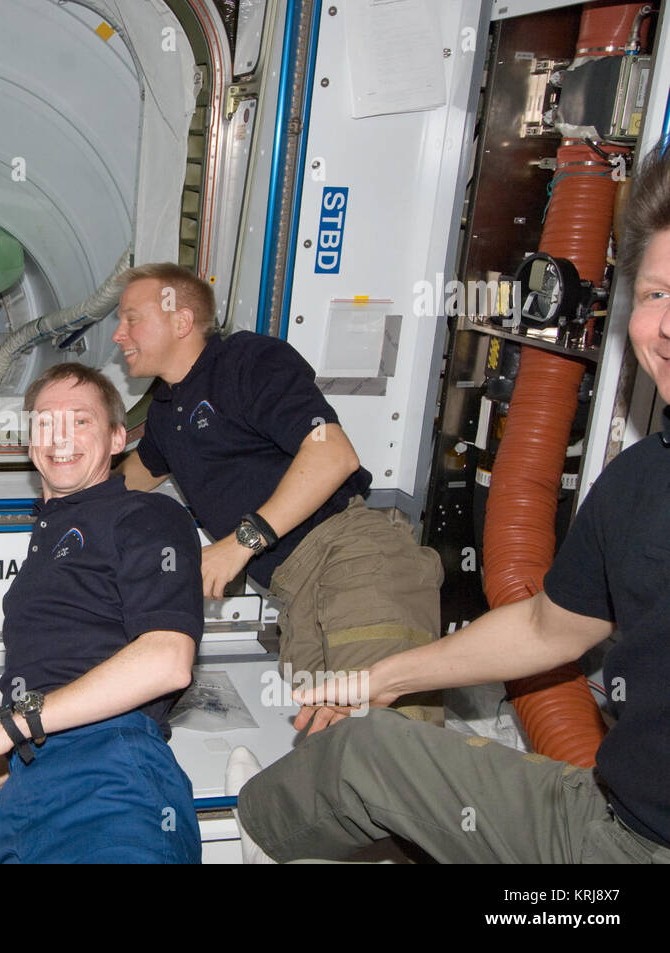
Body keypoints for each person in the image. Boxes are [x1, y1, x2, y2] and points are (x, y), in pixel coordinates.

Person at [233, 147, 670, 864]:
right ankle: (259, 831)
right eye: (655, 294)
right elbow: (543, 627)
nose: (667, 324)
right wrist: (381, 678)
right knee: (360, 755)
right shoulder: (634, 487)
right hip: (612, 825)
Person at [112, 263, 443, 728]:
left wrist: (239, 545)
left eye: (130, 319)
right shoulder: (168, 412)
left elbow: (334, 456)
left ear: (180, 321)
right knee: (335, 761)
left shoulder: (246, 362)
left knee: (389, 747)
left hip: (350, 558)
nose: (118, 335)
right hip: (296, 596)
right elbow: (132, 477)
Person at [0, 363, 204, 862]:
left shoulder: (148, 515)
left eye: (80, 421)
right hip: (23, 803)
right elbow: (49, 722)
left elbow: (166, 660)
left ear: (116, 439)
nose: (59, 436)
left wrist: (5, 727)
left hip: (112, 785)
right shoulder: (45, 547)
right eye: (44, 423)